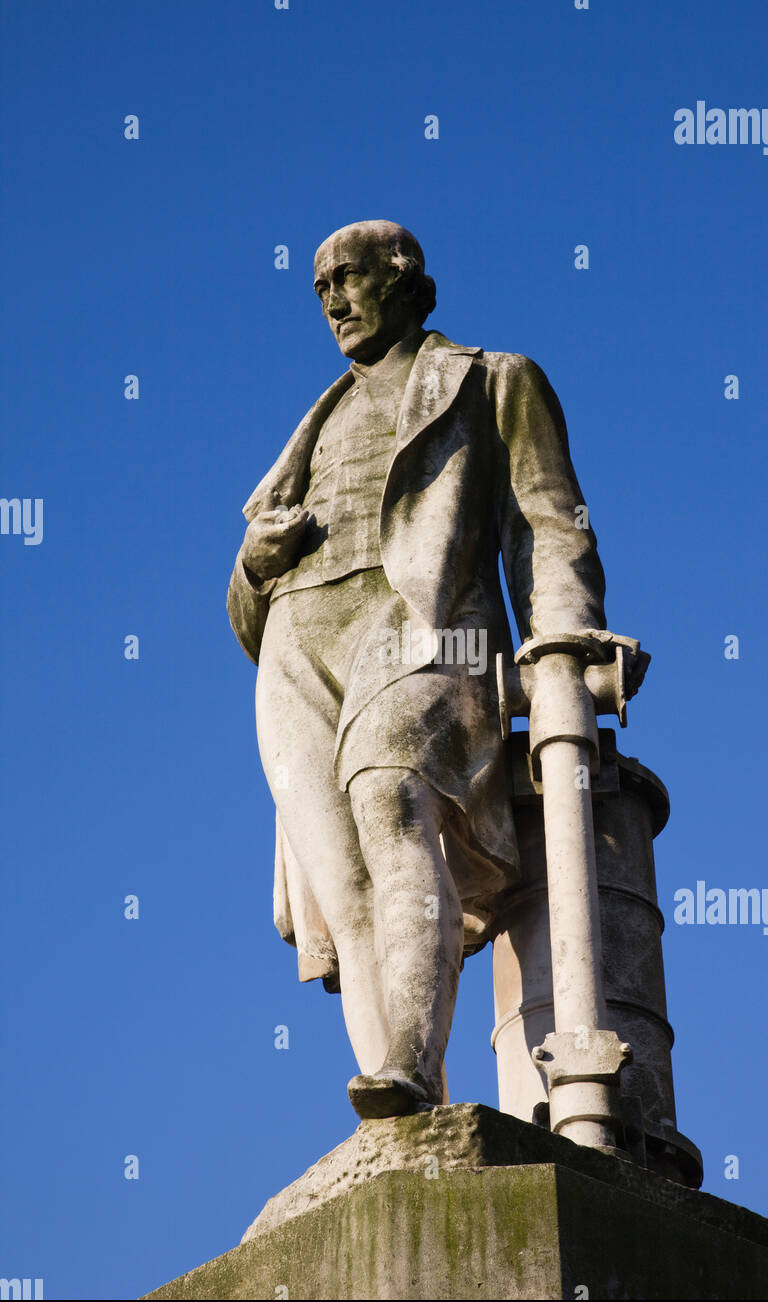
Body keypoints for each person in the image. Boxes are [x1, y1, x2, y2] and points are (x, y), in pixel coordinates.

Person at [228, 220, 606, 1118]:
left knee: (390, 791)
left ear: (405, 280)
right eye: (319, 288)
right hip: (296, 642)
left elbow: (548, 527)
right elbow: (243, 619)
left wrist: (563, 650)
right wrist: (252, 564)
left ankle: (410, 1050)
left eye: (347, 277)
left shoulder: (490, 379)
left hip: (424, 625)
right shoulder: (312, 427)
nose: (331, 299)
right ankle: (407, 1100)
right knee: (340, 876)